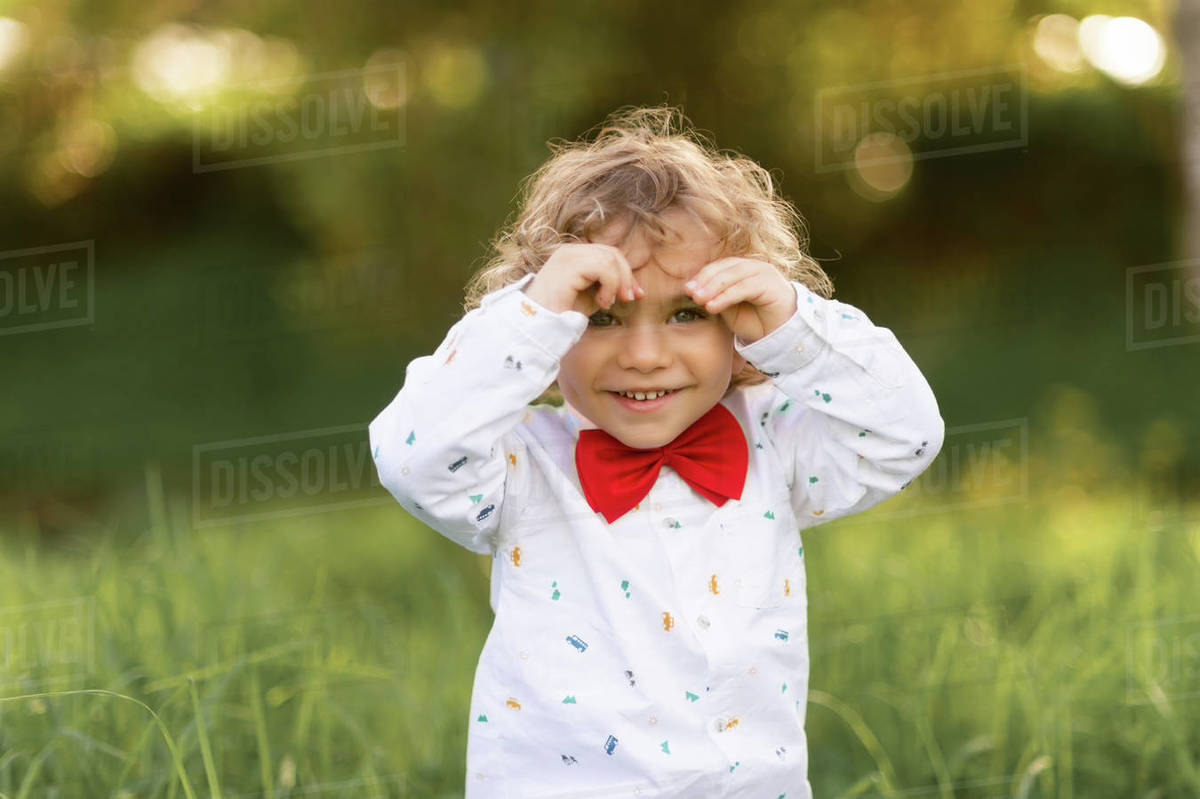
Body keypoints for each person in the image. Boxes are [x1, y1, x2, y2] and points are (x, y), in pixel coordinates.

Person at [368, 105, 945, 799]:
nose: (644, 356)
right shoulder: (521, 468)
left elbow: (905, 431)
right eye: (602, 317)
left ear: (738, 320)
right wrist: (532, 314)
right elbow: (412, 454)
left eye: (686, 313)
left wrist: (795, 324)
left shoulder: (774, 442)